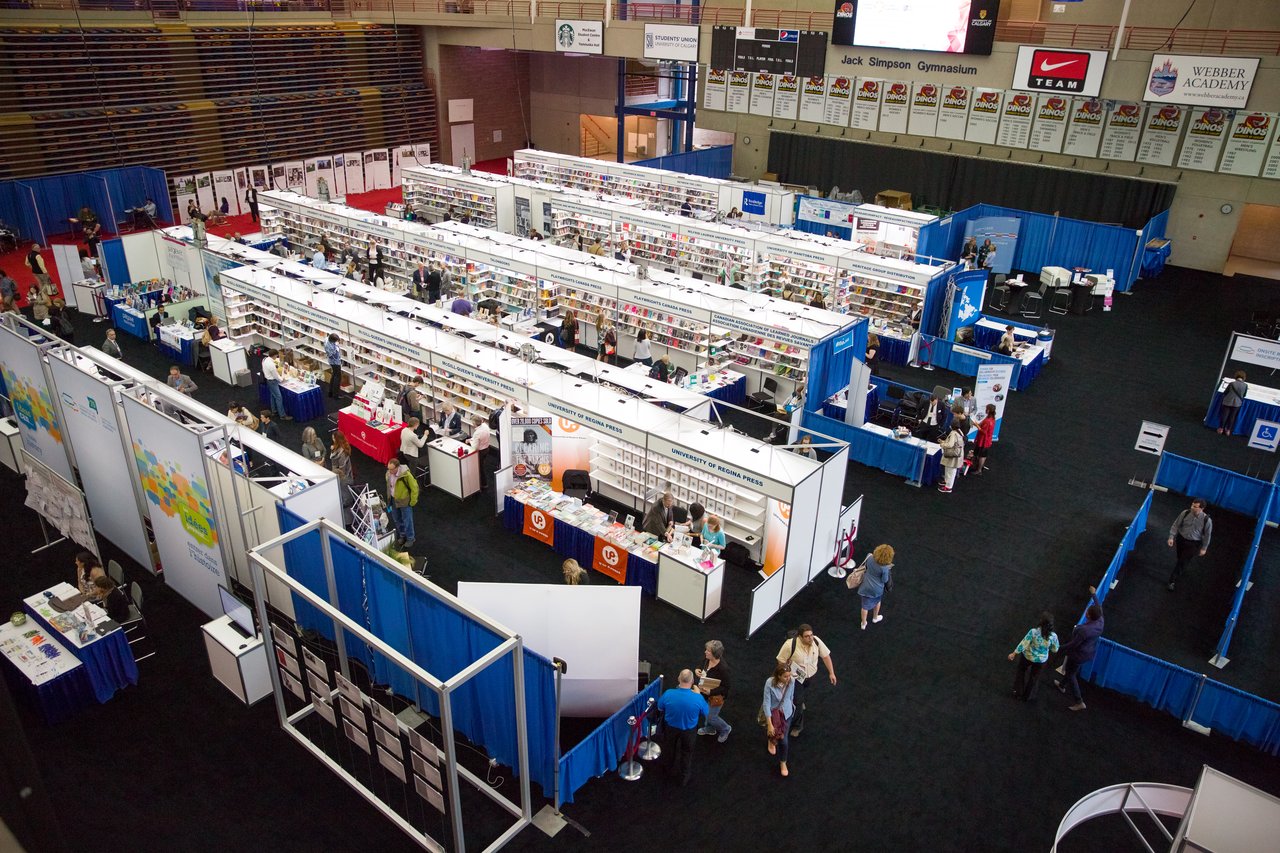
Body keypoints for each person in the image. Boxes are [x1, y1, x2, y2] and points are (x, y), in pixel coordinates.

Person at [775, 624, 836, 737]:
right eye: (807, 636)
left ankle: (798, 700)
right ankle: (797, 726)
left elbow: (826, 656)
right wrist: (785, 674)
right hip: (795, 678)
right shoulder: (790, 645)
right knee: (797, 701)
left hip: (809, 676)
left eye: (811, 635)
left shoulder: (816, 642)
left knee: (801, 693)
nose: (810, 638)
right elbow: (780, 660)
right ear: (800, 637)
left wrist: (831, 673)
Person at [655, 669, 708, 787]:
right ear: (693, 681)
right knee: (687, 754)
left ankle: (666, 772)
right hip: (689, 731)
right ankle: (684, 777)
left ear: (678, 679)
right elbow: (706, 712)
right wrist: (698, 694)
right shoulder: (698, 698)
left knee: (669, 750)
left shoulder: (668, 693)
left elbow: (659, 708)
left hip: (670, 728)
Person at [1055, 586, 1104, 712]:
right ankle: (1061, 685)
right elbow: (1099, 608)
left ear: (1089, 616)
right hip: (1088, 653)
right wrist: (1094, 595)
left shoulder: (1084, 630)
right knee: (1072, 671)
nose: (1086, 612)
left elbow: (1073, 645)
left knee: (1071, 674)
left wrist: (1058, 649)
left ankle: (1079, 701)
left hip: (1078, 655)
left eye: (1087, 612)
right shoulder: (1100, 621)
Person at [1009, 611, 1059, 702]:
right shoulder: (1053, 636)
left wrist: (1014, 653)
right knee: (1034, 677)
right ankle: (1028, 696)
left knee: (1021, 671)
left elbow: (1024, 643)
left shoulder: (1034, 632)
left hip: (1028, 656)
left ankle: (1018, 692)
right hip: (1041, 660)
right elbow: (1055, 649)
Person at [1166, 498, 1212, 591]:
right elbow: (1176, 524)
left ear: (1201, 508)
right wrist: (1171, 537)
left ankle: (1172, 581)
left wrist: (1204, 548)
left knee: (1182, 561)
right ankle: (1181, 567)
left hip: (1194, 544)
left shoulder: (1207, 520)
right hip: (1181, 539)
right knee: (1180, 557)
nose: (1192, 508)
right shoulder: (1185, 513)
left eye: (1195, 507)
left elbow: (1207, 535)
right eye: (1192, 505)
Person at [761, 661, 797, 777]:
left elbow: (791, 697)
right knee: (772, 730)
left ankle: (783, 762)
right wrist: (769, 723)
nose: (788, 678)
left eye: (789, 675)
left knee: (783, 740)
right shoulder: (769, 683)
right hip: (773, 712)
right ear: (778, 676)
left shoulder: (792, 681)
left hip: (786, 713)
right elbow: (766, 703)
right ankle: (771, 740)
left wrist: (791, 708)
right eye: (785, 676)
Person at [695, 640, 731, 743]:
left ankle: (725, 728)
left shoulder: (723, 669)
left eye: (708, 651)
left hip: (715, 696)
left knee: (712, 717)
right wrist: (697, 669)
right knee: (706, 712)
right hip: (705, 693)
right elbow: (702, 664)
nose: (705, 652)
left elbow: (726, 687)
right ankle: (710, 728)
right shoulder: (708, 659)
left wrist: (711, 692)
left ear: (714, 654)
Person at [856, 544, 894, 630]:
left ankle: (863, 623)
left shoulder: (869, 557)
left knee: (864, 606)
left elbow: (866, 567)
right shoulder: (885, 568)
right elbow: (884, 580)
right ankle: (875, 618)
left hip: (865, 586)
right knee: (877, 602)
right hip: (876, 590)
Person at [385, 456, 419, 548]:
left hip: (404, 501)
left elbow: (414, 487)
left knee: (407, 520)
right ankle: (402, 535)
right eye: (388, 469)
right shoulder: (388, 474)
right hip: (393, 500)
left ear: (397, 467)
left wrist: (412, 501)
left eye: (391, 469)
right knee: (397, 519)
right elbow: (389, 487)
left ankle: (410, 538)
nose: (389, 471)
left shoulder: (406, 475)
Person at [261, 349, 290, 420]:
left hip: (268, 380)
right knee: (279, 397)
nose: (276, 357)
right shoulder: (271, 365)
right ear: (274, 355)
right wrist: (281, 379)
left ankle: (274, 411)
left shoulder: (265, 360)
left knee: (273, 395)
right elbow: (275, 375)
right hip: (273, 381)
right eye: (276, 355)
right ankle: (282, 415)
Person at [938, 419, 965, 493]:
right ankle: (947, 482)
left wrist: (942, 444)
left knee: (950, 471)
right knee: (949, 470)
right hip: (957, 454)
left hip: (953, 456)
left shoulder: (953, 433)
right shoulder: (959, 431)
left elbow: (950, 445)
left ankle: (948, 487)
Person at [1218, 370, 1248, 435]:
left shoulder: (1232, 384)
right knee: (1232, 417)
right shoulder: (1245, 385)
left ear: (1236, 376)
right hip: (1237, 403)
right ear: (1244, 377)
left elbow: (1225, 392)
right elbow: (1244, 395)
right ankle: (1228, 430)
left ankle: (1221, 429)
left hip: (1227, 401)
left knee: (1224, 415)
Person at [470, 414, 493, 492]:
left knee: (480, 468)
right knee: (482, 465)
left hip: (480, 451)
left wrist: (470, 441)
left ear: (475, 423)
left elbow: (475, 447)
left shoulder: (477, 433)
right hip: (487, 448)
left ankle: (483, 484)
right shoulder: (485, 426)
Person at [971, 403, 996, 475]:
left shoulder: (988, 421)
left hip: (984, 440)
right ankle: (979, 467)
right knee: (981, 454)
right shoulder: (991, 419)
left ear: (988, 410)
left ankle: (979, 470)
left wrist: (976, 425)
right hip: (985, 440)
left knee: (982, 455)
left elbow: (983, 431)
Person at [324, 333, 343, 399]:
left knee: (334, 376)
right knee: (337, 378)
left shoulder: (326, 339)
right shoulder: (332, 347)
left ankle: (330, 392)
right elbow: (335, 356)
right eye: (335, 341)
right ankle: (336, 395)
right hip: (336, 363)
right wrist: (337, 347)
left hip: (331, 362)